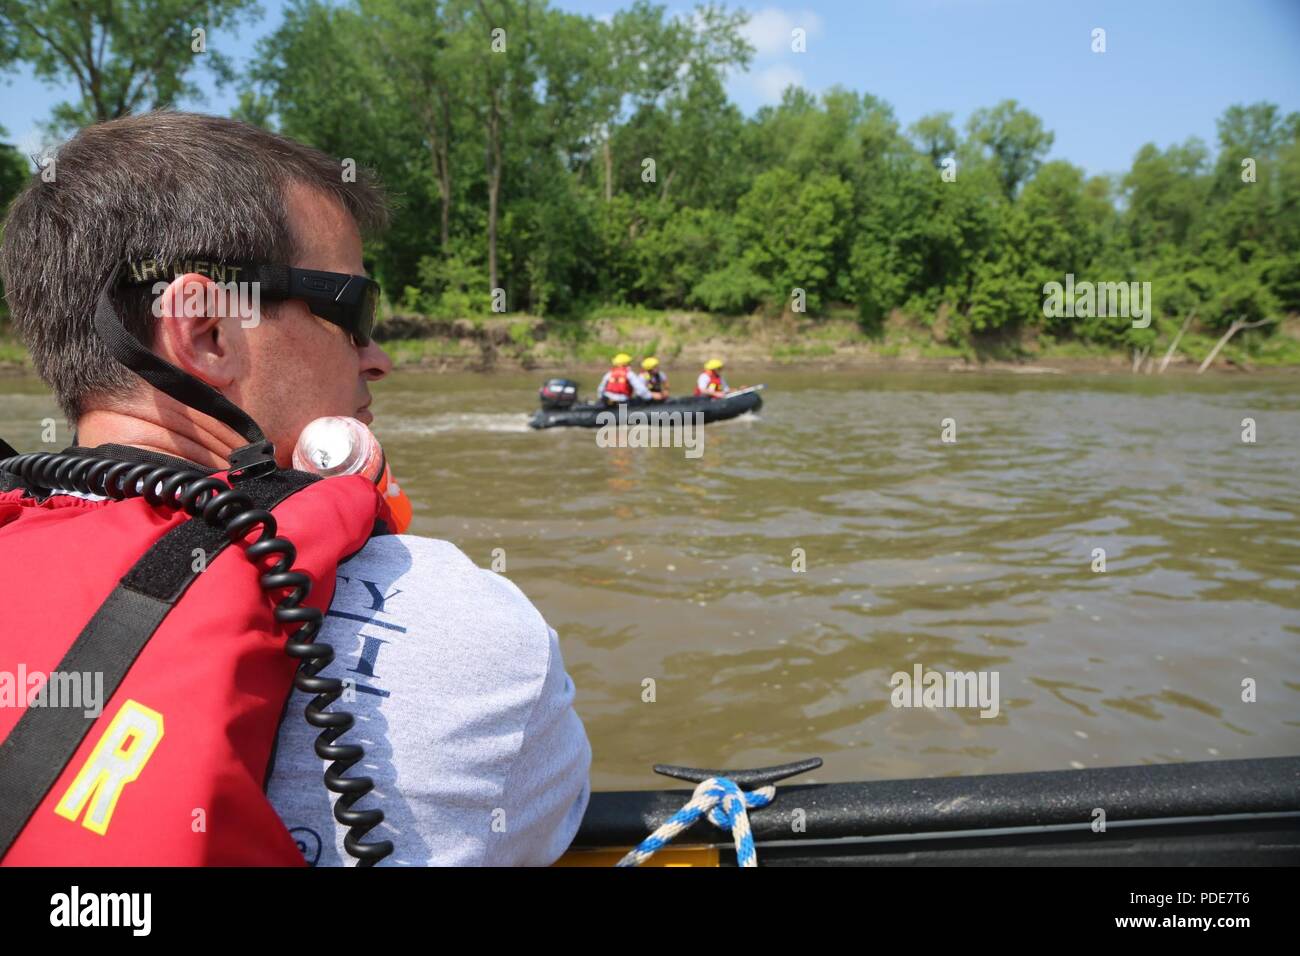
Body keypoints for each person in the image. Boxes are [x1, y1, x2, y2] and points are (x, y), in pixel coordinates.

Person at [0, 112, 590, 867]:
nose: (376, 358)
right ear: (209, 330)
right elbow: (552, 819)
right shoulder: (471, 631)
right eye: (352, 312)